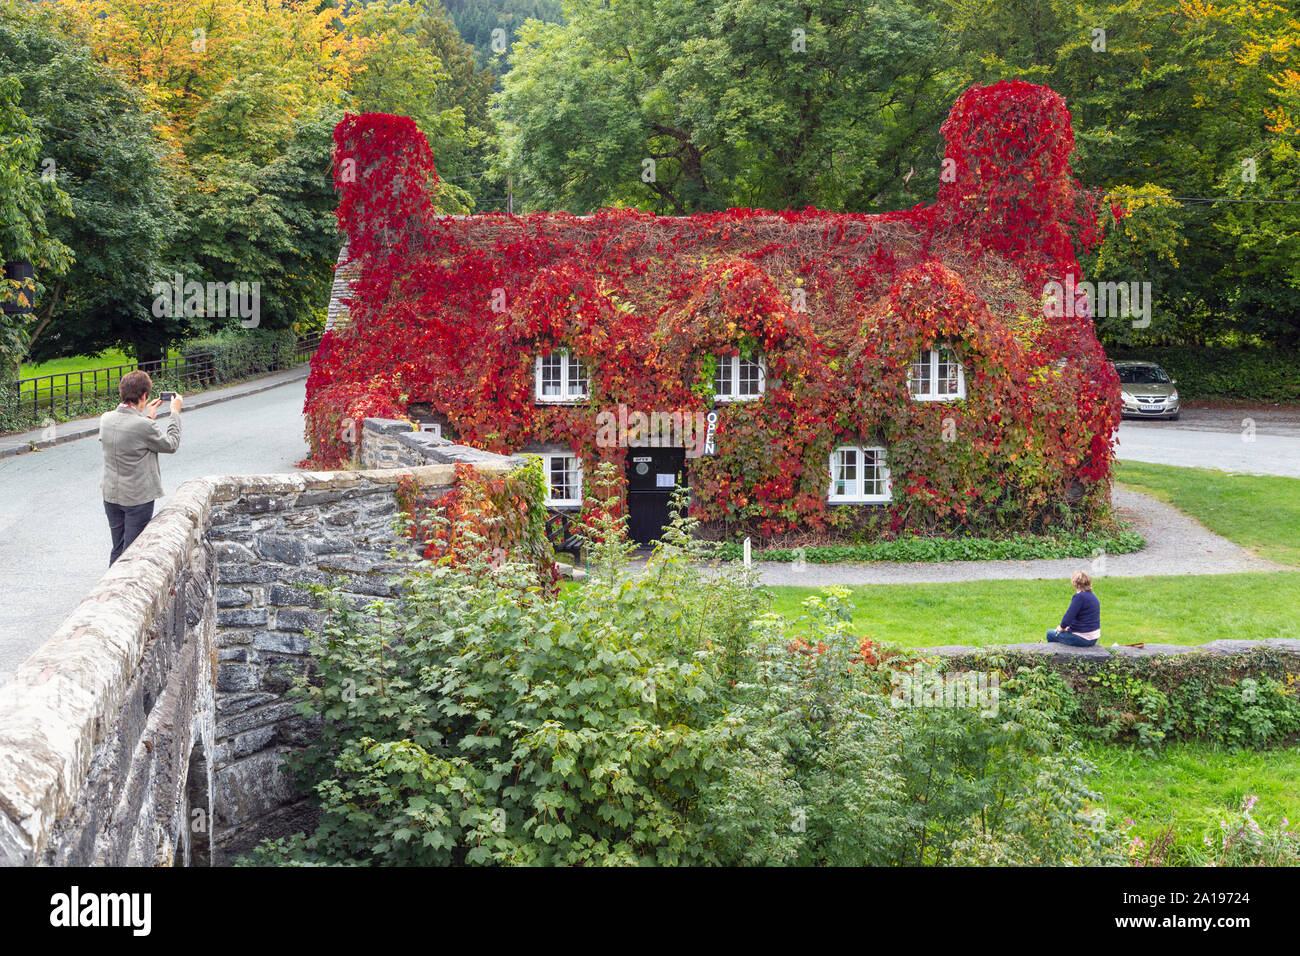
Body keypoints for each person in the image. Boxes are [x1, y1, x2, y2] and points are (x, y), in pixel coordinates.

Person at [99, 370, 183, 564]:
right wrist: (175, 413)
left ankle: (111, 586)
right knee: (132, 552)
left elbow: (130, 438)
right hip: (137, 498)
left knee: (118, 547)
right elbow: (171, 445)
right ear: (144, 395)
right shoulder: (143, 426)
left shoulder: (106, 419)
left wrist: (149, 418)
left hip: (111, 495)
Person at [1046, 570, 1101, 646]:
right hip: (1093, 638)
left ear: (1074, 584)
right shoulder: (1093, 597)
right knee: (1063, 633)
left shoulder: (1079, 597)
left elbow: (1068, 618)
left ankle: (1057, 655)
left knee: (1050, 633)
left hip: (1082, 638)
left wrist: (1061, 628)